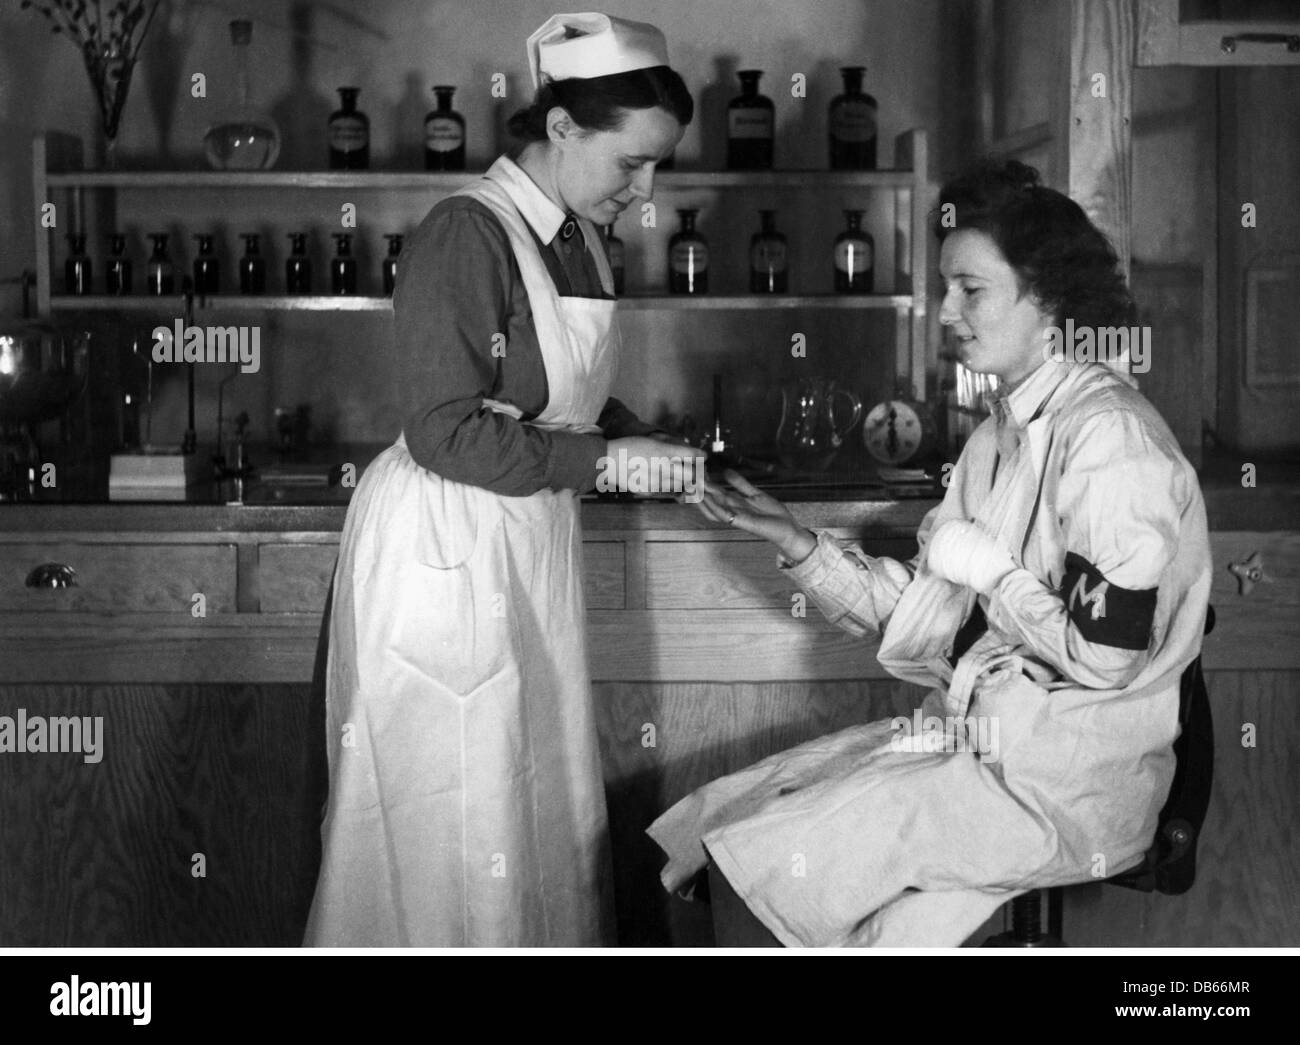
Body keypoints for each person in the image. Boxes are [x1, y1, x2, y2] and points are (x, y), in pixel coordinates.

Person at [647, 159, 1213, 947]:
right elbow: (936, 616)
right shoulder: (998, 434)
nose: (946, 310)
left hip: (1070, 782)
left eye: (970, 289)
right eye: (946, 286)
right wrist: (799, 542)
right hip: (982, 746)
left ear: (1050, 302)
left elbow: (1107, 657)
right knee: (732, 825)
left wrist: (991, 570)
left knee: (765, 871)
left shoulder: (1110, 436)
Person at [303, 13, 697, 947]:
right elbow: (444, 430)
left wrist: (647, 442)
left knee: (531, 793)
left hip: (525, 538)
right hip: (445, 540)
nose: (643, 193)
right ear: (562, 130)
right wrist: (606, 463)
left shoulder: (575, 236)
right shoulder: (464, 234)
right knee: (454, 798)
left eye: (657, 169)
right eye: (631, 164)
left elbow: (560, 399)